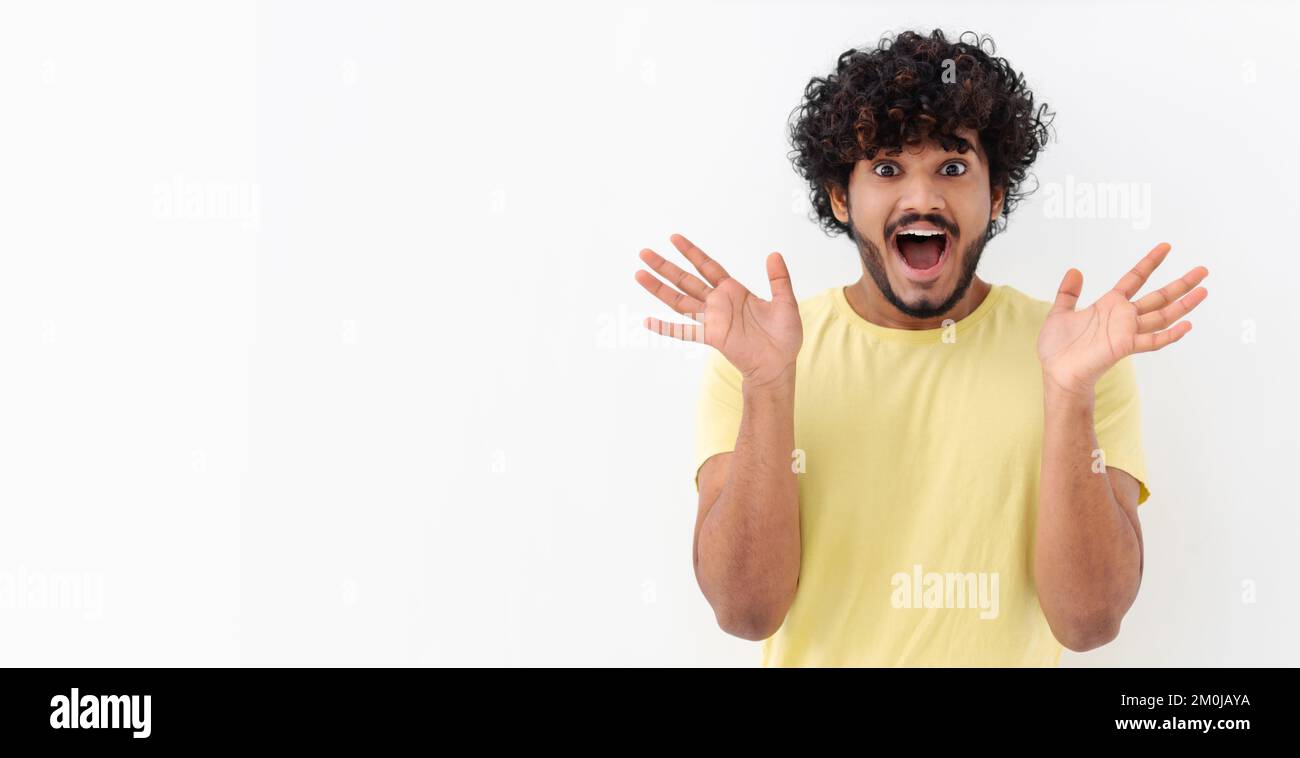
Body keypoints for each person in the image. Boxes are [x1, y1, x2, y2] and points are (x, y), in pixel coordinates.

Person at [633, 29, 1209, 666]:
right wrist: (768, 386)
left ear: (995, 196)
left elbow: (1089, 623)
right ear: (840, 197)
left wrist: (1070, 396)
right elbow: (745, 613)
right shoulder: (759, 358)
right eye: (886, 169)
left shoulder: (1080, 359)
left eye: (953, 168)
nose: (922, 198)